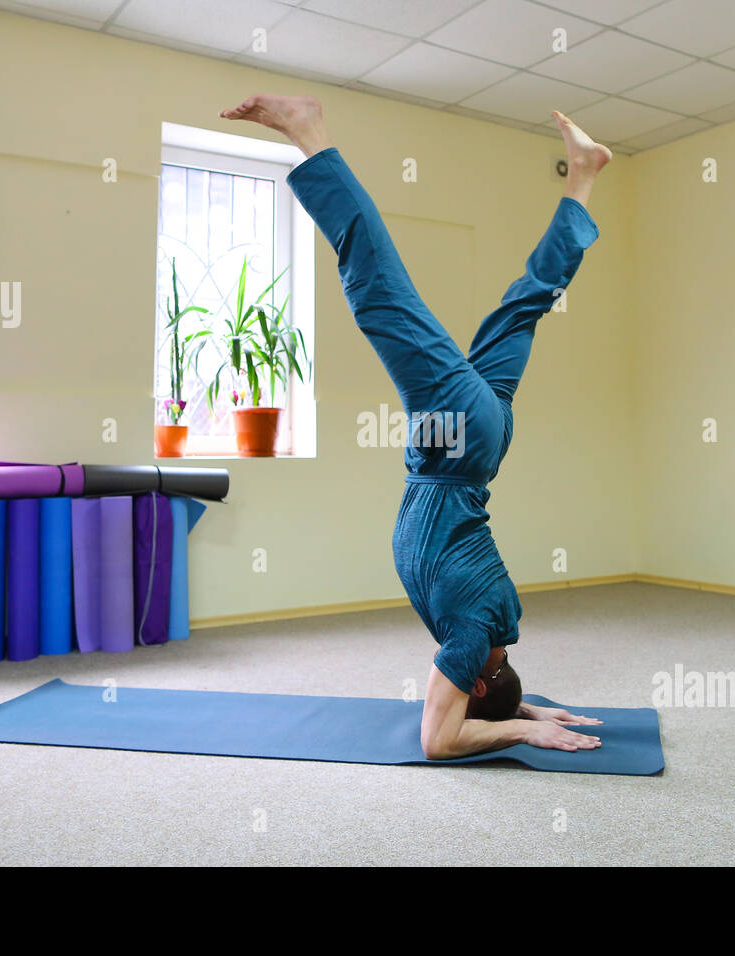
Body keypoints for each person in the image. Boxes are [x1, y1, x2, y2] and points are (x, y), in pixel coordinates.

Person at [220, 94, 608, 759]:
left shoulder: (498, 625)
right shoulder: (466, 637)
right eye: (462, 687)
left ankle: (584, 178)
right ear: (476, 683)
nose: (443, 685)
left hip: (481, 446)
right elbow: (437, 740)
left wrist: (526, 704)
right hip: (450, 440)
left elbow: (491, 682)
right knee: (376, 288)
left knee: (526, 303)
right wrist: (520, 726)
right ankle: (309, 132)